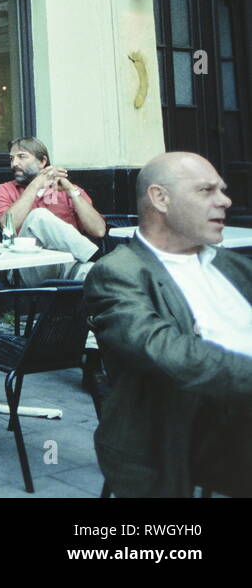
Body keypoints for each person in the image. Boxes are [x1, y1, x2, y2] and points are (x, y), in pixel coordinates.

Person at [85, 151, 252, 497]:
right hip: (179, 440)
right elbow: (164, 350)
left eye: (222, 190)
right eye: (206, 191)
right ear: (160, 198)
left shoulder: (235, 267)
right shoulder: (119, 272)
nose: (225, 201)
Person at [0, 137, 106, 284]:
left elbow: (99, 230)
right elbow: (7, 226)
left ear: (42, 162)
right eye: (12, 158)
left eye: (22, 157)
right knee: (38, 216)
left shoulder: (67, 190)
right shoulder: (5, 190)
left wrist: (71, 190)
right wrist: (36, 185)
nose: (14, 163)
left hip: (69, 264)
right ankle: (97, 257)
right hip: (26, 267)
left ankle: (100, 264)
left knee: (102, 278)